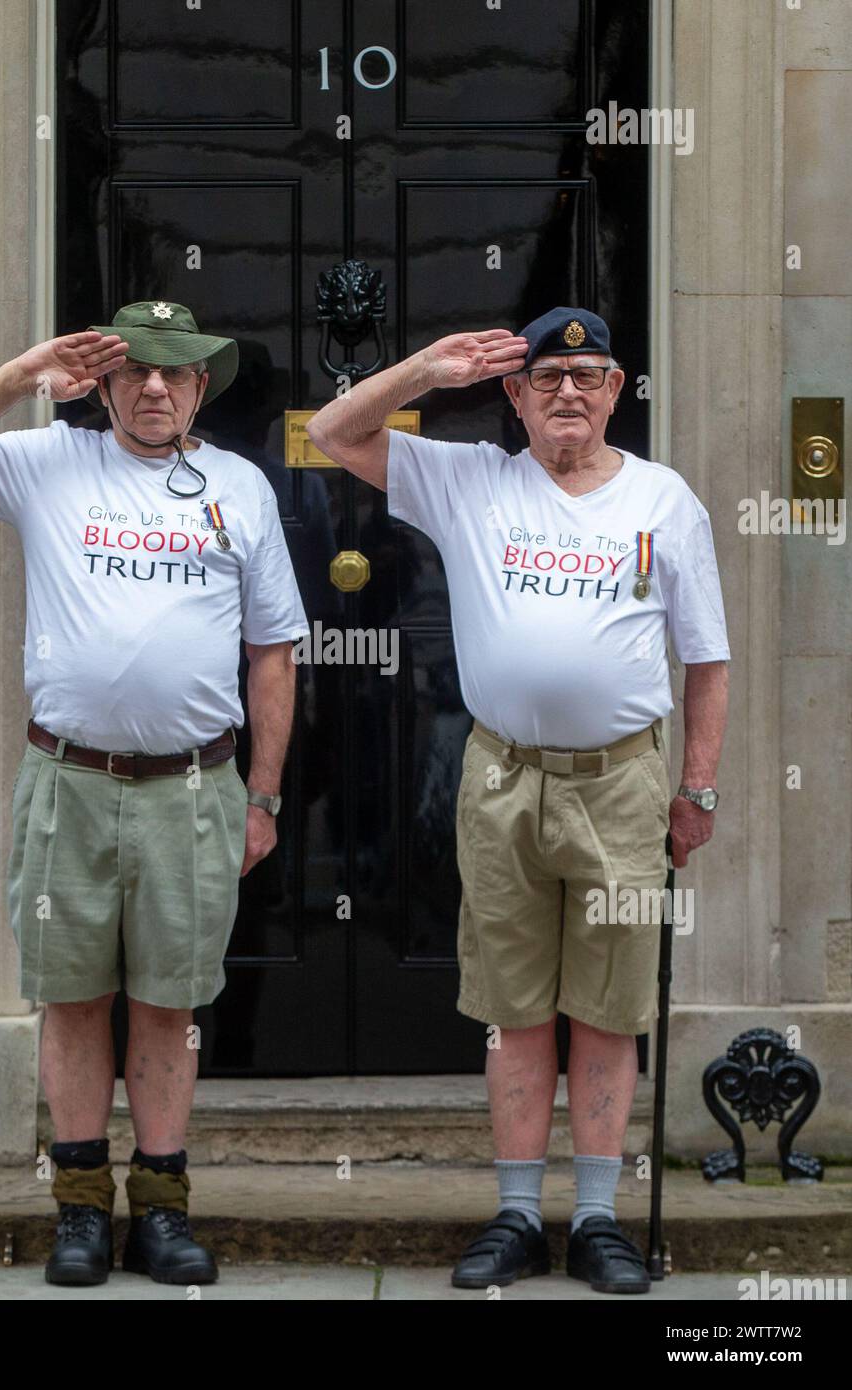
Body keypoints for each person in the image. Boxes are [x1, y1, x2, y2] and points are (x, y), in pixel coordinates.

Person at [306, 307, 729, 1294]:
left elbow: (705, 658)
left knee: (609, 1008)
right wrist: (423, 368)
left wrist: (696, 786)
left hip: (623, 781)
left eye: (587, 378)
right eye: (546, 380)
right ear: (515, 395)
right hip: (500, 779)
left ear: (617, 389)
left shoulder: (666, 502)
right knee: (512, 1009)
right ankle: (511, 1216)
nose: (568, 394)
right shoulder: (468, 481)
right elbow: (333, 434)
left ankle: (592, 1219)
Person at [0, 301, 309, 1287]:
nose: (154, 388)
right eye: (133, 372)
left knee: (167, 1004)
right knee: (73, 999)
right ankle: (79, 1212)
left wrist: (265, 797)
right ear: (102, 382)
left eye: (175, 373)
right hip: (67, 783)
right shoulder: (47, 462)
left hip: (194, 789)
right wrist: (14, 376)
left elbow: (273, 652)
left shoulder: (239, 488)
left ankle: (160, 1212)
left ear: (203, 385)